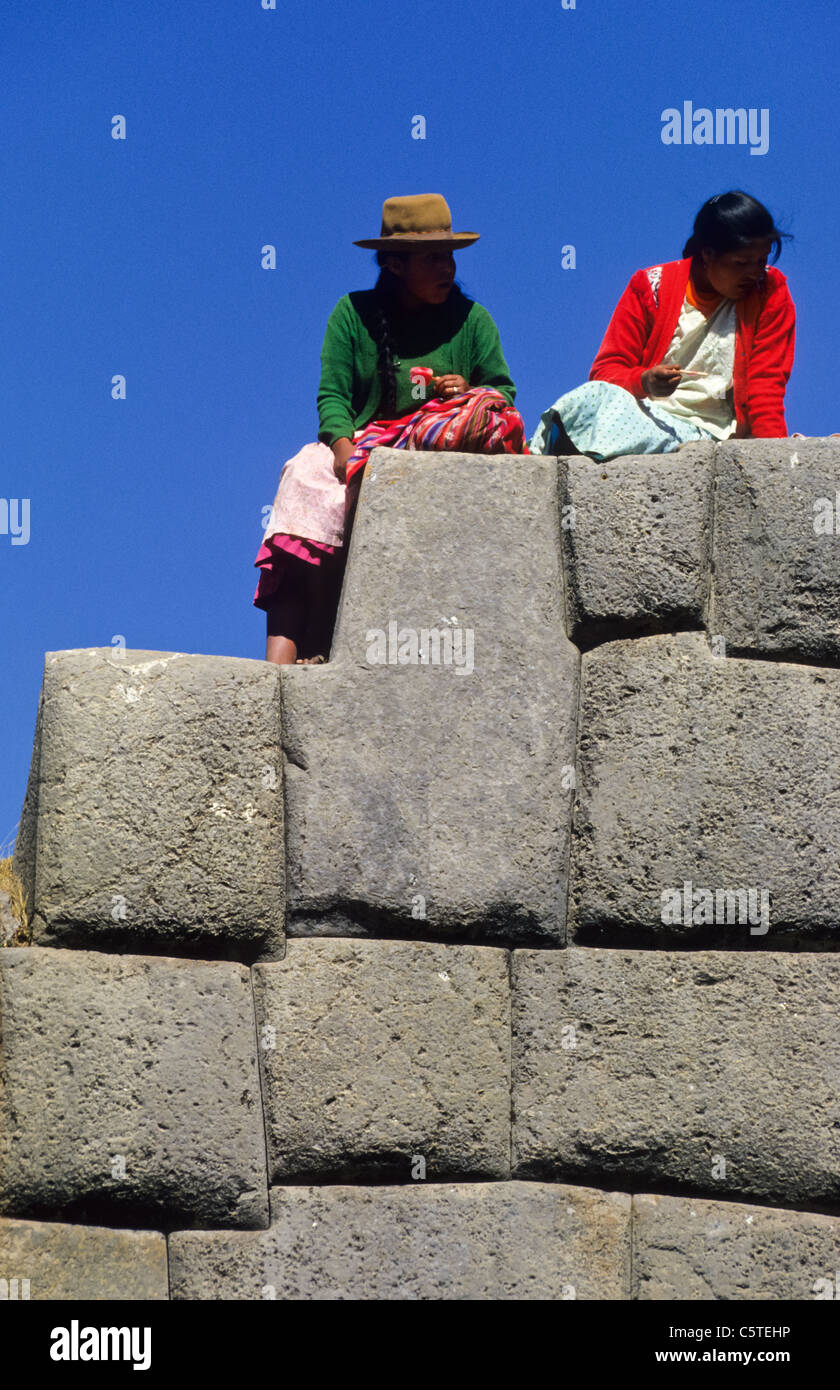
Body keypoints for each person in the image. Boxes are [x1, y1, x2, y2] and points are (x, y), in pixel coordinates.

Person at [253, 193, 526, 665]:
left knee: (482, 410)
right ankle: (280, 668)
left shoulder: (472, 320)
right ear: (394, 264)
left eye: (450, 257)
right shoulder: (352, 315)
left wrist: (466, 389)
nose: (448, 269)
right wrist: (341, 448)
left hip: (437, 438)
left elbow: (503, 392)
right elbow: (333, 396)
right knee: (303, 477)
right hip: (364, 442)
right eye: (433, 259)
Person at [529, 191, 796, 460]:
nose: (754, 272)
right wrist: (645, 381)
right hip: (645, 415)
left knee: (628, 433)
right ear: (708, 254)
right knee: (589, 398)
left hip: (713, 434)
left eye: (761, 261)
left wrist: (773, 456)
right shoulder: (650, 286)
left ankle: (578, 448)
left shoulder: (770, 293)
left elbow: (766, 386)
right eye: (741, 262)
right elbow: (606, 372)